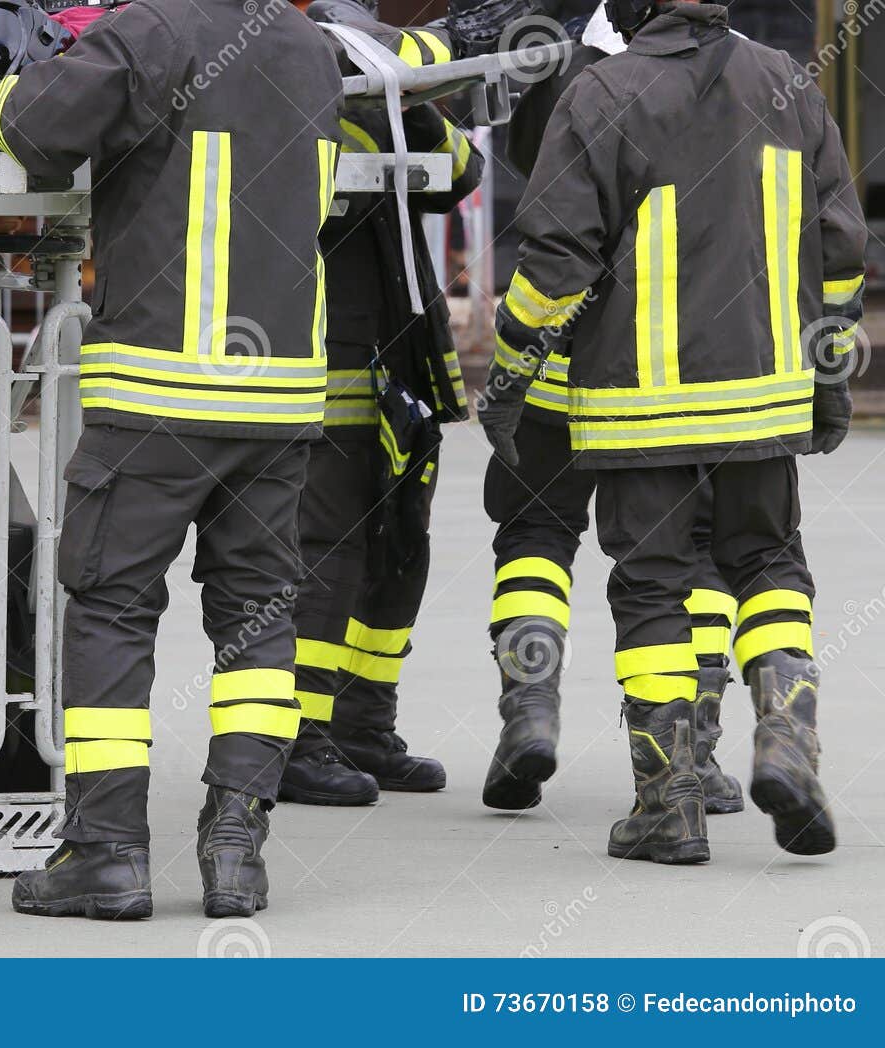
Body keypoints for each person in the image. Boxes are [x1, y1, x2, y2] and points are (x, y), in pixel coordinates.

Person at [0, 0, 343, 919]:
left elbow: (34, 131)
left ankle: (105, 853)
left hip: (158, 392)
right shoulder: (309, 47)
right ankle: (235, 848)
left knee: (110, 610)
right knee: (257, 620)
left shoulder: (150, 30)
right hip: (283, 394)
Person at [479, 0, 865, 863]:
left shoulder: (601, 92)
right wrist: (828, 373)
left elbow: (554, 265)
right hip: (764, 402)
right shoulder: (787, 84)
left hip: (640, 405)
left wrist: (509, 373)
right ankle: (785, 739)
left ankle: (668, 802)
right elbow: (838, 246)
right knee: (767, 564)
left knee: (651, 586)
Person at [480, 5, 743, 816]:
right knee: (691, 553)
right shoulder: (720, 81)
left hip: (556, 359)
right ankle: (692, 747)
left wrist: (509, 367)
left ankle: (529, 709)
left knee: (534, 533)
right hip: (665, 373)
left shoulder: (558, 71)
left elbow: (548, 222)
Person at [283, 0, 485, 805]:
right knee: (325, 544)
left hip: (398, 355)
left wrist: (406, 95)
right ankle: (300, 736)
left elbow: (461, 177)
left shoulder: (387, 90)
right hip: (321, 347)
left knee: (400, 540)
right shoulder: (281, 79)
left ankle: (366, 723)